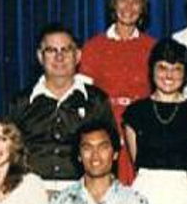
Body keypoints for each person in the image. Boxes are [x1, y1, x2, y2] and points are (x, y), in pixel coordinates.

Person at [7, 23, 114, 193]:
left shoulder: (96, 101)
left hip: (83, 194)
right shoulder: (21, 102)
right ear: (40, 56)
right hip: (30, 193)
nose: (59, 57)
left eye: (66, 50)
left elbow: (110, 153)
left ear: (77, 55)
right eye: (51, 50)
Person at [122, 38, 187, 204]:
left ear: (185, 74)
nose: (169, 75)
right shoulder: (135, 113)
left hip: (182, 191)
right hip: (145, 189)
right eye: (162, 67)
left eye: (177, 69)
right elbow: (136, 160)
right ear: (151, 70)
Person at [79, 0, 157, 183]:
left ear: (143, 9)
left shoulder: (152, 47)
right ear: (114, 4)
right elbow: (84, 98)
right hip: (105, 133)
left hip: (141, 133)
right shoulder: (93, 47)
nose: (129, 7)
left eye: (136, 1)